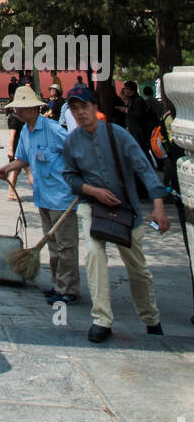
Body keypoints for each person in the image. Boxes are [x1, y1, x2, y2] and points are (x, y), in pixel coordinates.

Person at [61, 88, 170, 343]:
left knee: (138, 268)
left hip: (125, 208)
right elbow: (69, 176)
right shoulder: (72, 141)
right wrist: (92, 191)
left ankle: (150, 318)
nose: (80, 113)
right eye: (75, 109)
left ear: (94, 107)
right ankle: (101, 319)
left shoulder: (117, 135)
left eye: (84, 107)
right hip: (93, 207)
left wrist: (159, 206)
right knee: (95, 255)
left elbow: (143, 168)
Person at [0, 86, 79, 304]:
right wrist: (7, 167)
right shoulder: (26, 131)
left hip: (62, 197)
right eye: (18, 109)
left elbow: (75, 151)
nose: (20, 113)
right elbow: (23, 159)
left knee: (66, 246)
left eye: (24, 108)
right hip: (42, 196)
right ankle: (58, 285)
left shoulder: (52, 129)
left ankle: (68, 289)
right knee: (52, 245)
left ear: (35, 108)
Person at [119, 80, 160, 162]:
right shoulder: (132, 100)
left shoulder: (137, 100)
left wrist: (126, 110)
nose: (125, 90)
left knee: (143, 152)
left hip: (139, 132)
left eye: (126, 88)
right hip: (135, 131)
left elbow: (138, 114)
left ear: (131, 89)